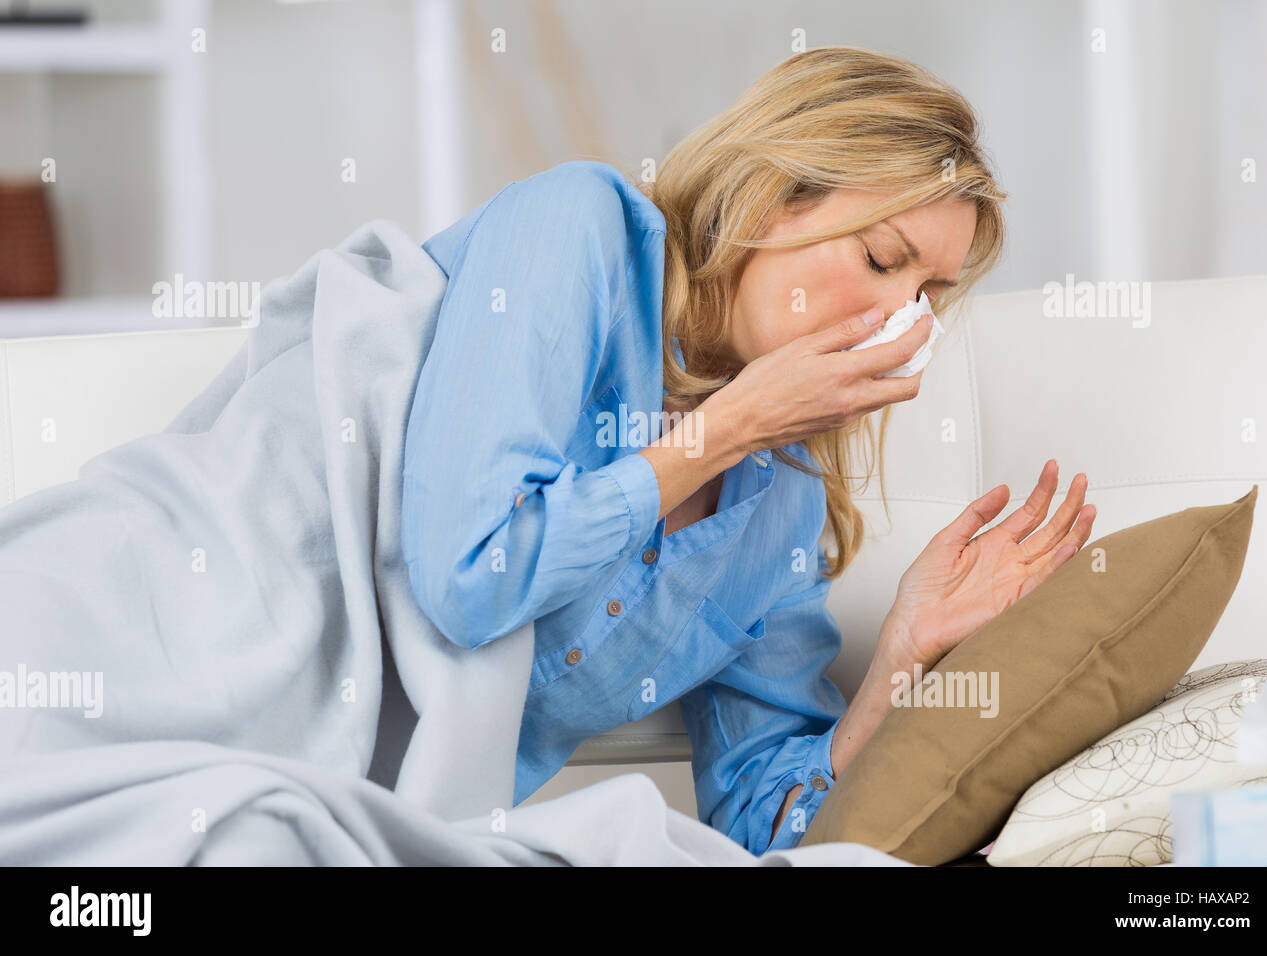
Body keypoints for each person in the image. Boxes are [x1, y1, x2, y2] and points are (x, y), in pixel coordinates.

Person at [400, 46, 1096, 855]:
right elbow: (468, 579)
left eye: (927, 297)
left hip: (389, 819)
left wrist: (902, 656)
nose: (901, 324)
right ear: (768, 198)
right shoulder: (577, 228)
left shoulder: (779, 503)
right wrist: (722, 429)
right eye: (879, 259)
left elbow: (762, 821)